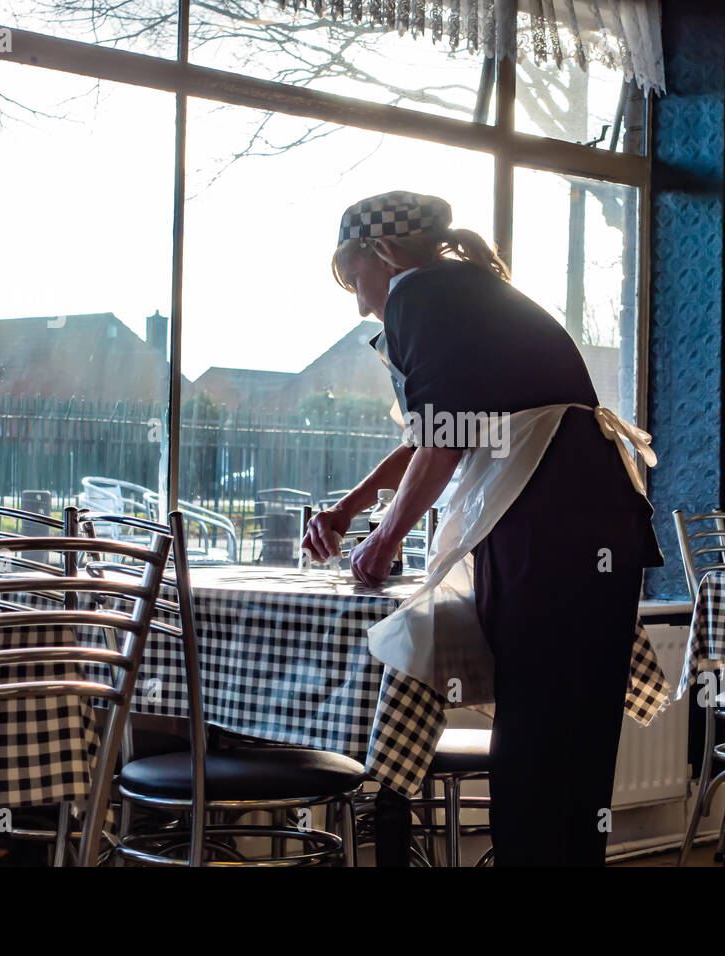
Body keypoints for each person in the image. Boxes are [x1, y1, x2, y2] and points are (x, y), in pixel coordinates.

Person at [301, 191, 663, 866]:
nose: (359, 303)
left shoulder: (418, 294)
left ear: (382, 253)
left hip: (546, 516)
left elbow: (440, 441)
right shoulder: (469, 289)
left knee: (532, 733)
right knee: (579, 733)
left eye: (355, 280)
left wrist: (383, 541)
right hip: (595, 513)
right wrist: (354, 508)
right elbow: (442, 429)